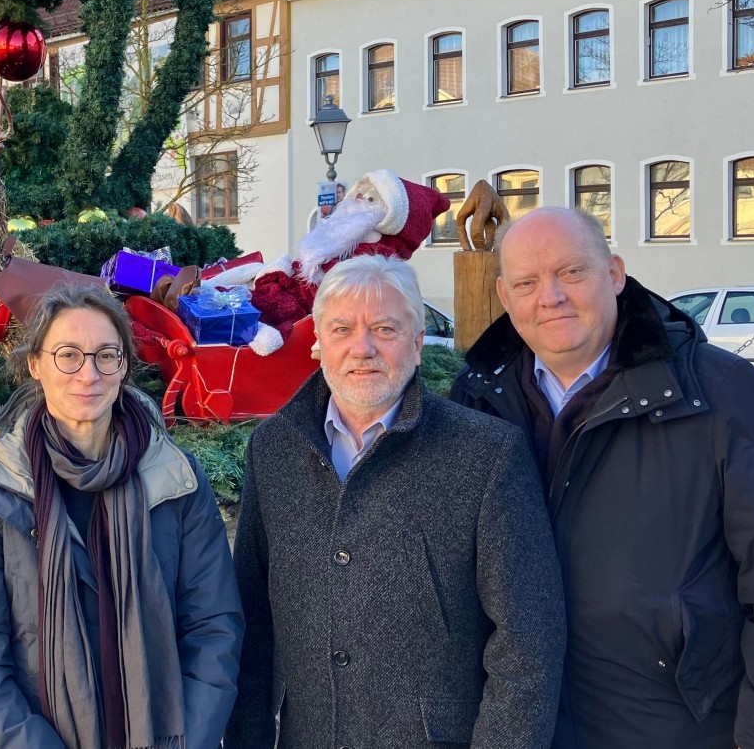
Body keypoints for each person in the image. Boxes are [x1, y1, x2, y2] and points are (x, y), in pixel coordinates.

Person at [451, 206, 754, 749]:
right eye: (527, 282)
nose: (550, 297)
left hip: (674, 725)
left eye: (572, 272)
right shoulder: (476, 403)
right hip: (524, 728)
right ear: (504, 296)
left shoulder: (718, 394)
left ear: (615, 274)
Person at [226, 254, 565, 749]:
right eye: (341, 329)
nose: (361, 348)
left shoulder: (486, 454)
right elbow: (253, 621)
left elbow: (527, 641)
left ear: (418, 341)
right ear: (318, 344)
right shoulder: (273, 450)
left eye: (384, 328)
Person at [0, 283, 243, 749]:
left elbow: (213, 627)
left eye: (105, 355)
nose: (88, 374)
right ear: (35, 365)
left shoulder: (175, 480)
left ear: (123, 367)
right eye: (68, 355)